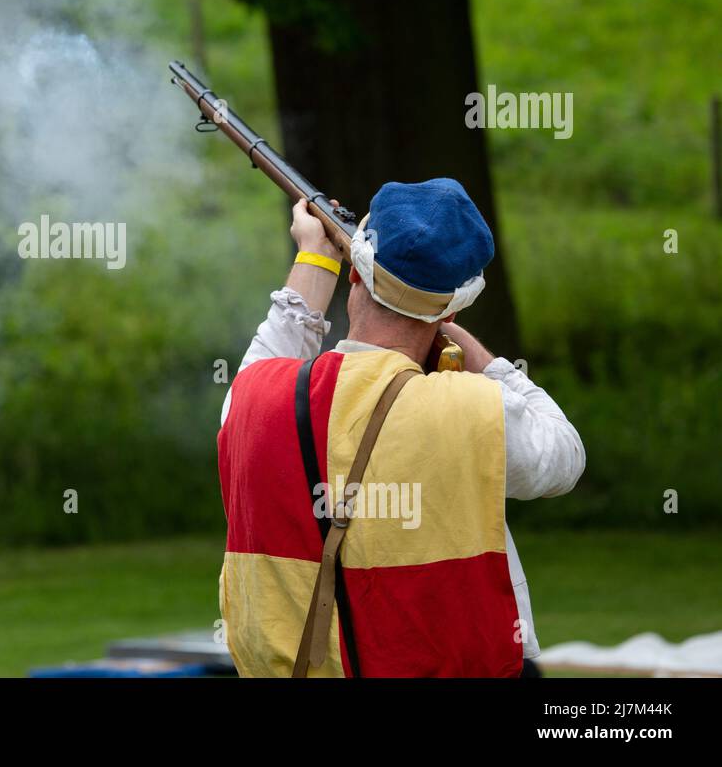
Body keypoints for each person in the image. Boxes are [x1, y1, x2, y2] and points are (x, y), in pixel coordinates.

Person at [217, 178, 585, 677]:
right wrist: (445, 328)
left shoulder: (256, 398)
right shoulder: (475, 408)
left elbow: (268, 354)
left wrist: (316, 257)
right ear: (455, 306)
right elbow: (564, 457)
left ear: (355, 276)